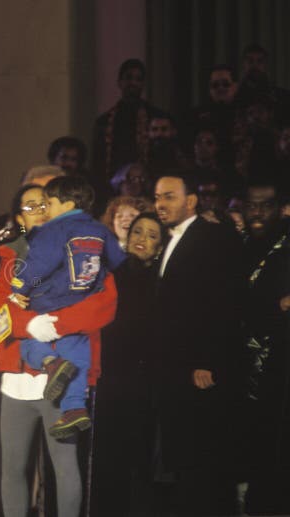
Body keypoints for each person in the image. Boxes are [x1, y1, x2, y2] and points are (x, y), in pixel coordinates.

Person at [0, 184, 118, 517]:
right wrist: (29, 326)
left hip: (66, 375)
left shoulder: (87, 250)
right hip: (18, 378)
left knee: (64, 466)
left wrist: (55, 323)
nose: (40, 212)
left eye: (45, 205)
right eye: (30, 207)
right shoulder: (6, 257)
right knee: (13, 467)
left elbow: (104, 306)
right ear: (19, 218)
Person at [151, 171, 245, 515]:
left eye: (169, 196)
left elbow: (223, 303)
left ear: (191, 201)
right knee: (182, 451)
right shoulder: (166, 239)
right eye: (158, 197)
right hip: (173, 366)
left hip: (198, 366)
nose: (160, 204)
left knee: (203, 452)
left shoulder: (214, 237)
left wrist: (207, 360)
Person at [11, 176, 127, 438]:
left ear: (66, 204)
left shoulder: (51, 231)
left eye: (49, 203)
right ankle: (74, 409)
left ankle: (51, 364)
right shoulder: (99, 229)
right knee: (78, 355)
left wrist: (19, 288)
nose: (45, 210)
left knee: (29, 343)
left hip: (48, 302)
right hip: (82, 302)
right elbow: (118, 260)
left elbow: (37, 266)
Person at [90, 212, 168, 516]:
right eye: (137, 232)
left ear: (160, 246)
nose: (142, 240)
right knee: (106, 453)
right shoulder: (110, 274)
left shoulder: (163, 281)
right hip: (108, 375)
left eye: (151, 235)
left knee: (138, 454)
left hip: (143, 378)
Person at [239, 181, 290, 515]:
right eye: (252, 205)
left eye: (265, 206)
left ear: (280, 209)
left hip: (281, 361)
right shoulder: (238, 243)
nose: (258, 213)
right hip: (241, 358)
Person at [92, 58, 168, 182]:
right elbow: (98, 162)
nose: (133, 83)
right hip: (113, 183)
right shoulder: (104, 122)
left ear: (143, 84)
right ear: (119, 82)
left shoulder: (157, 118)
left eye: (138, 79)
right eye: (128, 77)